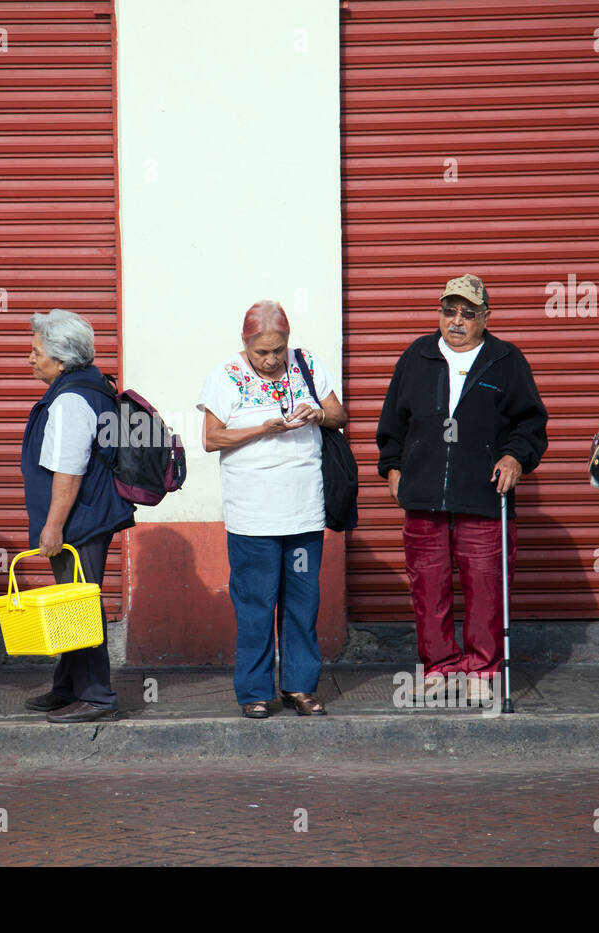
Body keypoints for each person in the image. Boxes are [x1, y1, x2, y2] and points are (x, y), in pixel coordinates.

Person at [376, 275, 548, 702]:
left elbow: (531, 425)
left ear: (485, 318)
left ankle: (482, 669)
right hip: (423, 496)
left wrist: (515, 457)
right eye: (449, 311)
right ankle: (438, 665)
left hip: (483, 496)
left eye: (467, 313)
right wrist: (392, 469)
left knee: (485, 587)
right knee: (428, 588)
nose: (456, 321)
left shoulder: (505, 360)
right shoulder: (416, 356)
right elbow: (392, 422)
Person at [197, 300, 347, 718]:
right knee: (256, 605)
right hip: (253, 517)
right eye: (262, 351)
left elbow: (340, 414)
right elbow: (211, 439)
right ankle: (255, 692)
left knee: (302, 603)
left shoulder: (308, 365)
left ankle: (299, 687)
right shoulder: (225, 376)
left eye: (278, 349)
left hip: (304, 513)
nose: (271, 359)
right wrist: (261, 429)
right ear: (245, 345)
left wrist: (317, 413)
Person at [19, 309, 134, 723]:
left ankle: (97, 696)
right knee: (73, 601)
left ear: (62, 359)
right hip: (86, 517)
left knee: (79, 606)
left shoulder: (70, 400)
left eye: (36, 352)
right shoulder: (89, 387)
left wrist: (53, 526)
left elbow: (69, 470)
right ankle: (68, 687)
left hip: (78, 521)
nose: (30, 359)